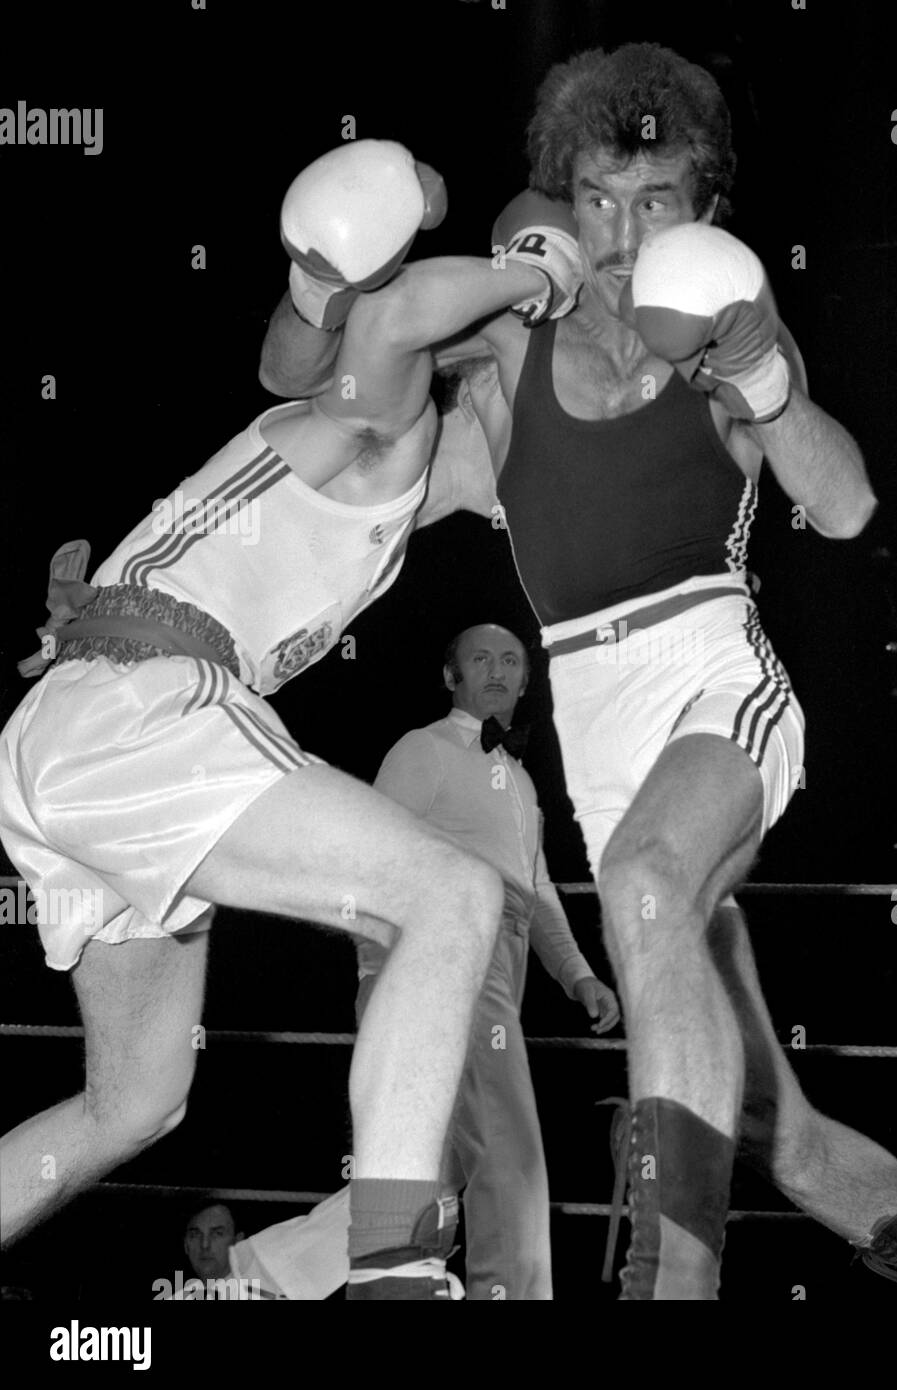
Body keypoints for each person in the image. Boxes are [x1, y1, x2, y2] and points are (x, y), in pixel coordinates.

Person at [258, 44, 897, 1300]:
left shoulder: (724, 334)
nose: (620, 232)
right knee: (771, 1130)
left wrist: (762, 373)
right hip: (598, 728)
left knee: (643, 884)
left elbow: (840, 505)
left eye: (654, 200)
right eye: (598, 198)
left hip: (713, 678)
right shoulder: (511, 342)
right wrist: (316, 283)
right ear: (564, 199)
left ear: (704, 212)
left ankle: (667, 1284)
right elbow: (313, 389)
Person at [0, 140, 532, 1300]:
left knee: (133, 1101)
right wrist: (533, 277)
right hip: (148, 705)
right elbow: (392, 323)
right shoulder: (369, 419)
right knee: (452, 896)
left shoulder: (392, 475)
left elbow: (485, 453)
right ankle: (395, 1277)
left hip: (87, 731)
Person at [230, 623, 620, 1300]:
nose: (496, 670)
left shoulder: (523, 783)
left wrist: (578, 973)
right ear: (451, 676)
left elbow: (540, 890)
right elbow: (369, 858)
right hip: (443, 963)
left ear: (527, 680)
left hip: (495, 973)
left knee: (423, 1173)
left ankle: (264, 1277)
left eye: (510, 661)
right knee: (510, 1148)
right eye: (480, 658)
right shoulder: (423, 750)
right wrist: (383, 975)